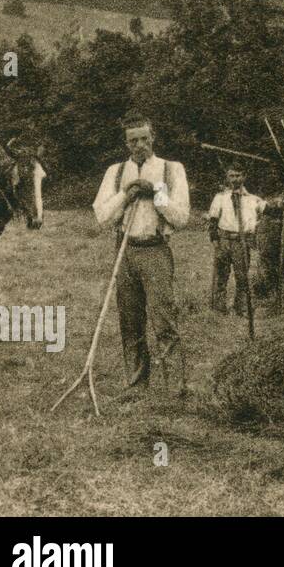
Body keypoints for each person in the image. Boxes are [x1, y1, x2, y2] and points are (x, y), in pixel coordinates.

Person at [92, 113, 190, 396]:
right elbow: (101, 217)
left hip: (156, 250)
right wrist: (126, 195)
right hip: (125, 252)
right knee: (130, 321)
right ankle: (137, 385)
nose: (139, 145)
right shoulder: (116, 172)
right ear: (126, 143)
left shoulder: (172, 170)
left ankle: (175, 388)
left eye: (144, 139)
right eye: (133, 140)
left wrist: (155, 193)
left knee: (164, 320)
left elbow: (182, 218)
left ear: (153, 138)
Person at [206, 164, 265, 315]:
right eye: (231, 176)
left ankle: (241, 307)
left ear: (244, 177)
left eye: (238, 175)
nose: (235, 179)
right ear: (227, 177)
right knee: (221, 275)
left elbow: (269, 209)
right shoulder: (220, 197)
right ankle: (219, 308)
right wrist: (214, 239)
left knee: (242, 276)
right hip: (224, 240)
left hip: (242, 241)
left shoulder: (253, 199)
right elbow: (213, 221)